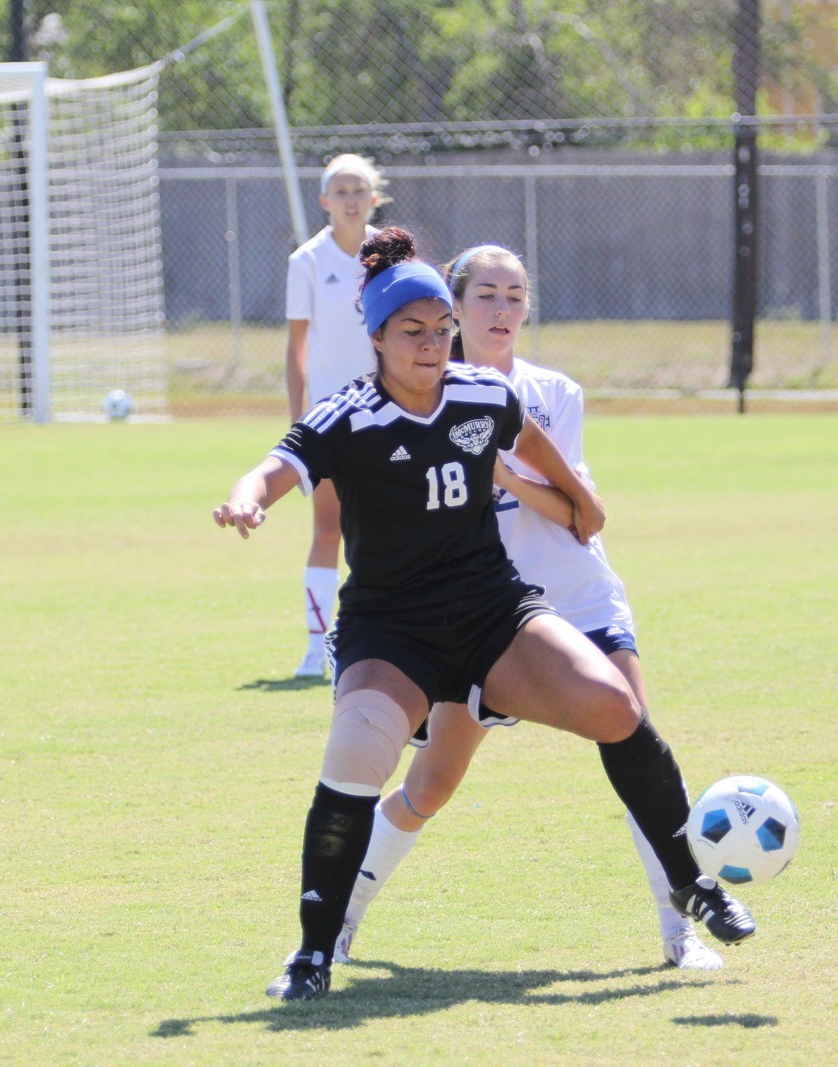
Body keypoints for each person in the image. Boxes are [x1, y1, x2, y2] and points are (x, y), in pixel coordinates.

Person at [214, 227, 756, 1002]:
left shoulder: (488, 395)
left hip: (492, 612)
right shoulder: (349, 415)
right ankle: (311, 953)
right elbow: (279, 464)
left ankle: (692, 891)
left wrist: (528, 478)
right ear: (375, 337)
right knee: (360, 755)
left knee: (616, 706)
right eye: (414, 332)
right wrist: (246, 498)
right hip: (392, 625)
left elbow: (575, 495)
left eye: (440, 330)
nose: (432, 345)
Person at [333, 244, 723, 971]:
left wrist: (502, 473)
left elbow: (582, 515)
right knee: (430, 785)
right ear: (451, 311)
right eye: (486, 296)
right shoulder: (408, 403)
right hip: (485, 615)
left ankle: (682, 931)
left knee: (635, 736)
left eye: (516, 295)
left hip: (576, 596)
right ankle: (342, 917)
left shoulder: (552, 394)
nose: (503, 310)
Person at [284, 154, 388, 678]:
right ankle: (315, 645)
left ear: (374, 197)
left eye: (359, 190)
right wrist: (297, 421)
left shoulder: (388, 255)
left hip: (390, 410)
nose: (351, 199)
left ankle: (393, 637)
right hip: (332, 416)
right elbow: (296, 348)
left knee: (395, 526)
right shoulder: (307, 260)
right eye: (341, 191)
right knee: (329, 527)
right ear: (325, 201)